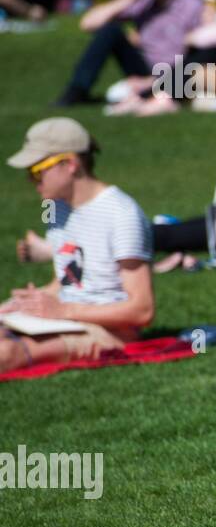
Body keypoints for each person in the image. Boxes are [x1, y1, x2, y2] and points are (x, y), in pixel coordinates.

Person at [1, 118, 154, 372]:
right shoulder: (57, 207)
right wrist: (33, 301)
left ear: (70, 164)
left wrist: (64, 310)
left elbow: (142, 310)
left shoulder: (121, 214)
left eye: (37, 171)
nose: (31, 181)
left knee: (7, 352)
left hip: (111, 332)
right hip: (66, 318)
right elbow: (66, 282)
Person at [54, 0, 203, 108]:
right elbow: (87, 24)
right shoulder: (144, 1)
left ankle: (151, 94)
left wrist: (156, 80)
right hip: (143, 68)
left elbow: (199, 55)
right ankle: (77, 90)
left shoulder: (191, 5)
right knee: (110, 31)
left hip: (177, 75)